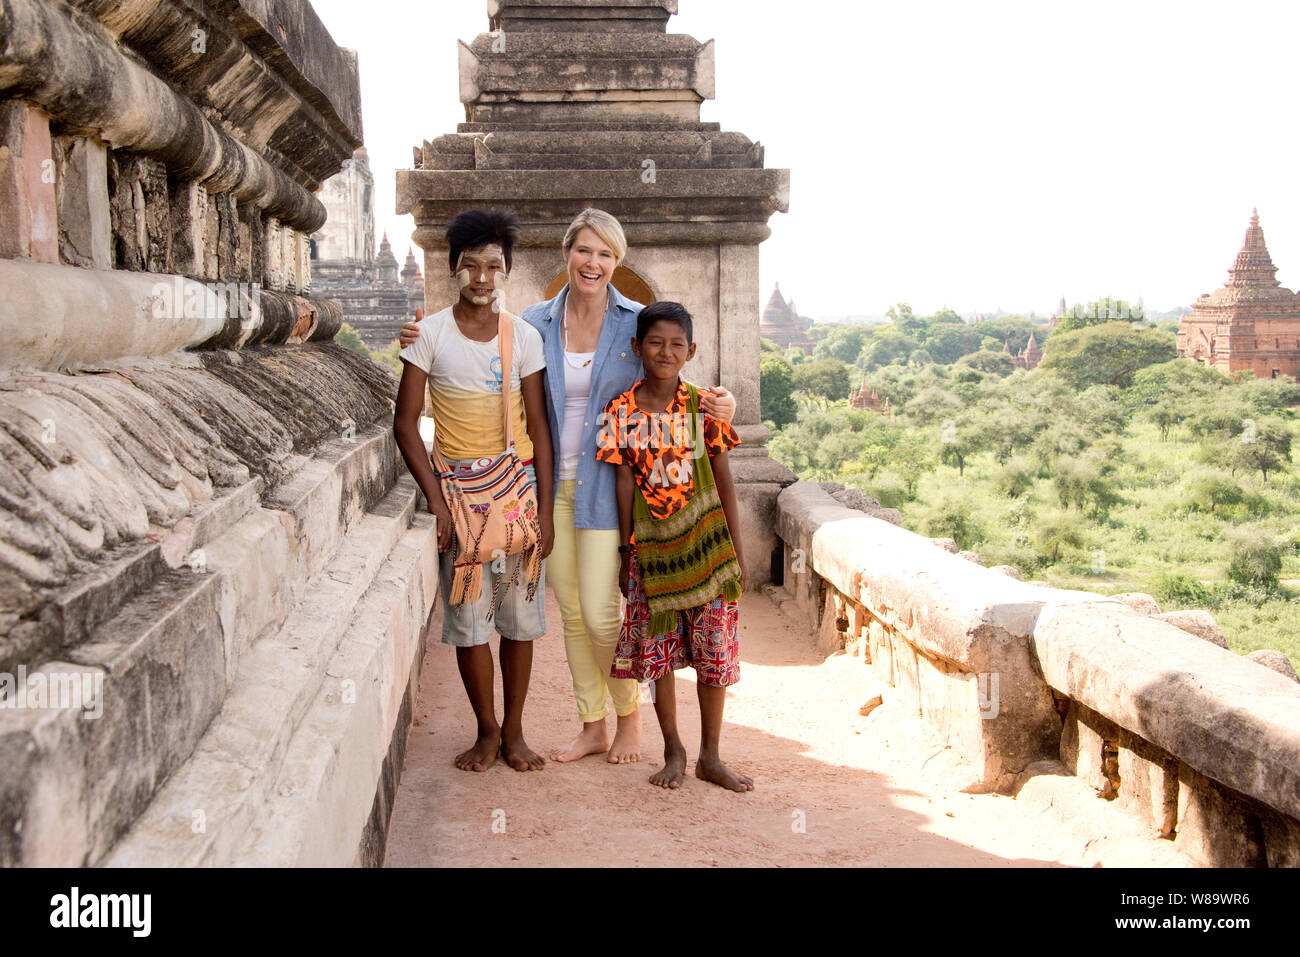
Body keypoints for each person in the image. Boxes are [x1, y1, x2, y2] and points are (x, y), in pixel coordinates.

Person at [400, 208, 736, 765]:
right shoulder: (535, 321)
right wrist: (416, 333)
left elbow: (666, 365)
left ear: (617, 262)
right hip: (541, 484)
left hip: (610, 481)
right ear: (566, 254)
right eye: (585, 251)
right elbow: (478, 356)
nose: (594, 263)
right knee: (571, 611)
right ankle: (591, 723)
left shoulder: (633, 322)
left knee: (606, 609)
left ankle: (629, 717)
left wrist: (715, 401)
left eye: (606, 254)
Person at [392, 207, 554, 774]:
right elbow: (405, 424)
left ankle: (514, 732)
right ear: (453, 270)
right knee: (469, 623)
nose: (482, 278)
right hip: (459, 496)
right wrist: (436, 501)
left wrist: (547, 511)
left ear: (506, 270)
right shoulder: (428, 335)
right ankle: (486, 730)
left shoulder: (524, 338)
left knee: (519, 619)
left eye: (493, 266)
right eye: (470, 267)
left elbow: (540, 426)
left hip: (515, 491)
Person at [597, 301, 753, 792]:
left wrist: (738, 550)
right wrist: (626, 551)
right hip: (652, 553)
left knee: (713, 654)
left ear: (691, 351)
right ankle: (674, 751)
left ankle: (711, 754)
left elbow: (724, 478)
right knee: (658, 655)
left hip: (707, 548)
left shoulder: (703, 407)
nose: (666, 352)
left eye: (676, 344)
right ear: (636, 346)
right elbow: (623, 482)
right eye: (656, 342)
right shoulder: (619, 411)